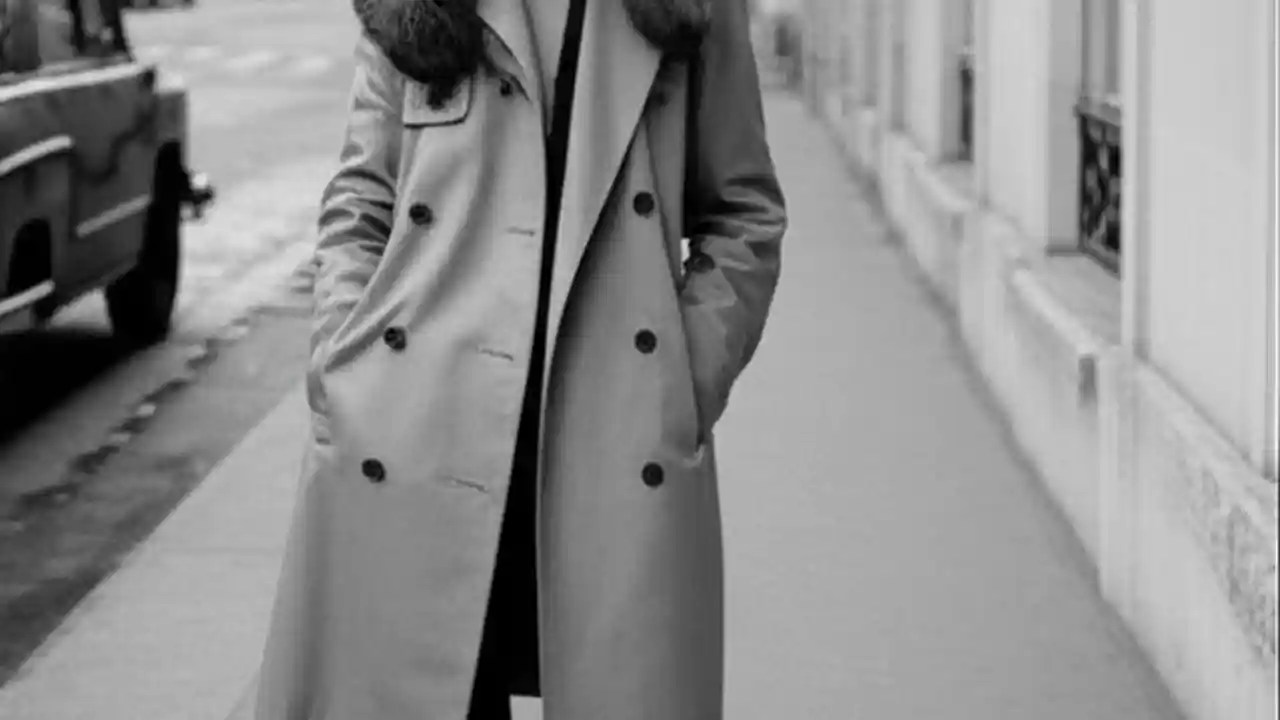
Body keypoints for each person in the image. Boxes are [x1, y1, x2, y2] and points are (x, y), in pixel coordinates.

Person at [252, 0, 785, 718]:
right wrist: (343, 368)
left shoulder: (689, 8)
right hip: (415, 435)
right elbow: (360, 201)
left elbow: (743, 214)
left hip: (614, 448)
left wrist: (683, 382)